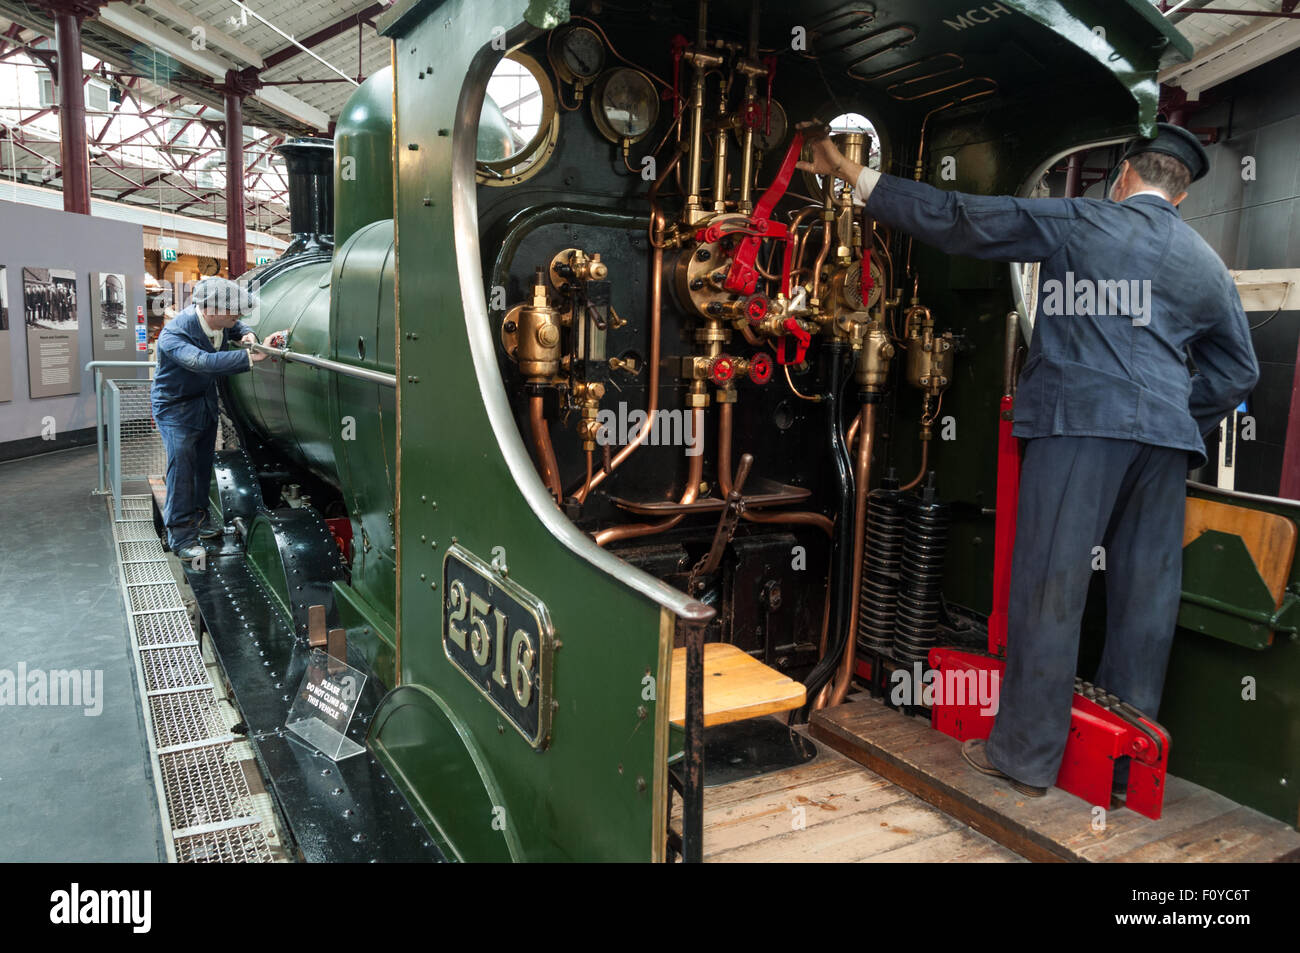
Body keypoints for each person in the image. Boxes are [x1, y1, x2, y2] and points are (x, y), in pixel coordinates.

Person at [799, 122, 1258, 797]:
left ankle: (1025, 757)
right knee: (1144, 604)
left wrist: (857, 178)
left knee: (1052, 586)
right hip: (1165, 446)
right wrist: (1178, 415)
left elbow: (965, 220)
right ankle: (1125, 767)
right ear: (1181, 196)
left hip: (1079, 426)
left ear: (1125, 176)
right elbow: (1238, 369)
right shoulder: (1205, 263)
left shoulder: (1084, 220)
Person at [151, 277, 286, 564]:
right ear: (210, 308)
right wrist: (252, 357)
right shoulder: (174, 335)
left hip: (203, 402)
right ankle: (182, 537)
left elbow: (236, 326)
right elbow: (203, 362)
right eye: (233, 310)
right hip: (174, 408)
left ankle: (199, 519)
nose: (237, 315)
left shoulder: (220, 321)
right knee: (182, 467)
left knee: (201, 464)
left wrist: (247, 335)